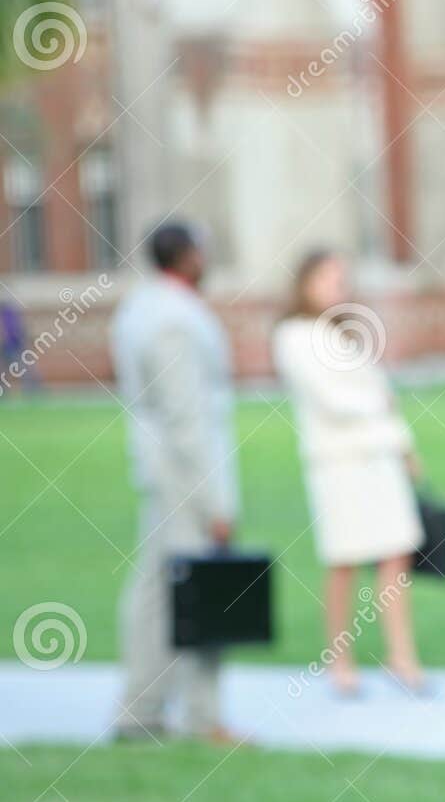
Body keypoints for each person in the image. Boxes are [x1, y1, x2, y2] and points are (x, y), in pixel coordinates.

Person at [109, 221, 245, 744]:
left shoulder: (141, 309)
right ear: (187, 257)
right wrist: (217, 500)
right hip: (185, 476)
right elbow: (186, 416)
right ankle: (203, 716)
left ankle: (139, 709)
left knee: (155, 589)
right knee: (204, 589)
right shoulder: (174, 320)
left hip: (160, 472)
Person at [271, 250, 427, 698]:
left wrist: (404, 446)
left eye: (341, 279)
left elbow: (384, 394)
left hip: (380, 458)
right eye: (326, 278)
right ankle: (340, 660)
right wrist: (376, 409)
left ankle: (403, 656)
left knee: (396, 556)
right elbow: (332, 400)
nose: (336, 287)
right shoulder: (294, 335)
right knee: (344, 560)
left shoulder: (346, 335)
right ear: (305, 283)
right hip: (339, 462)